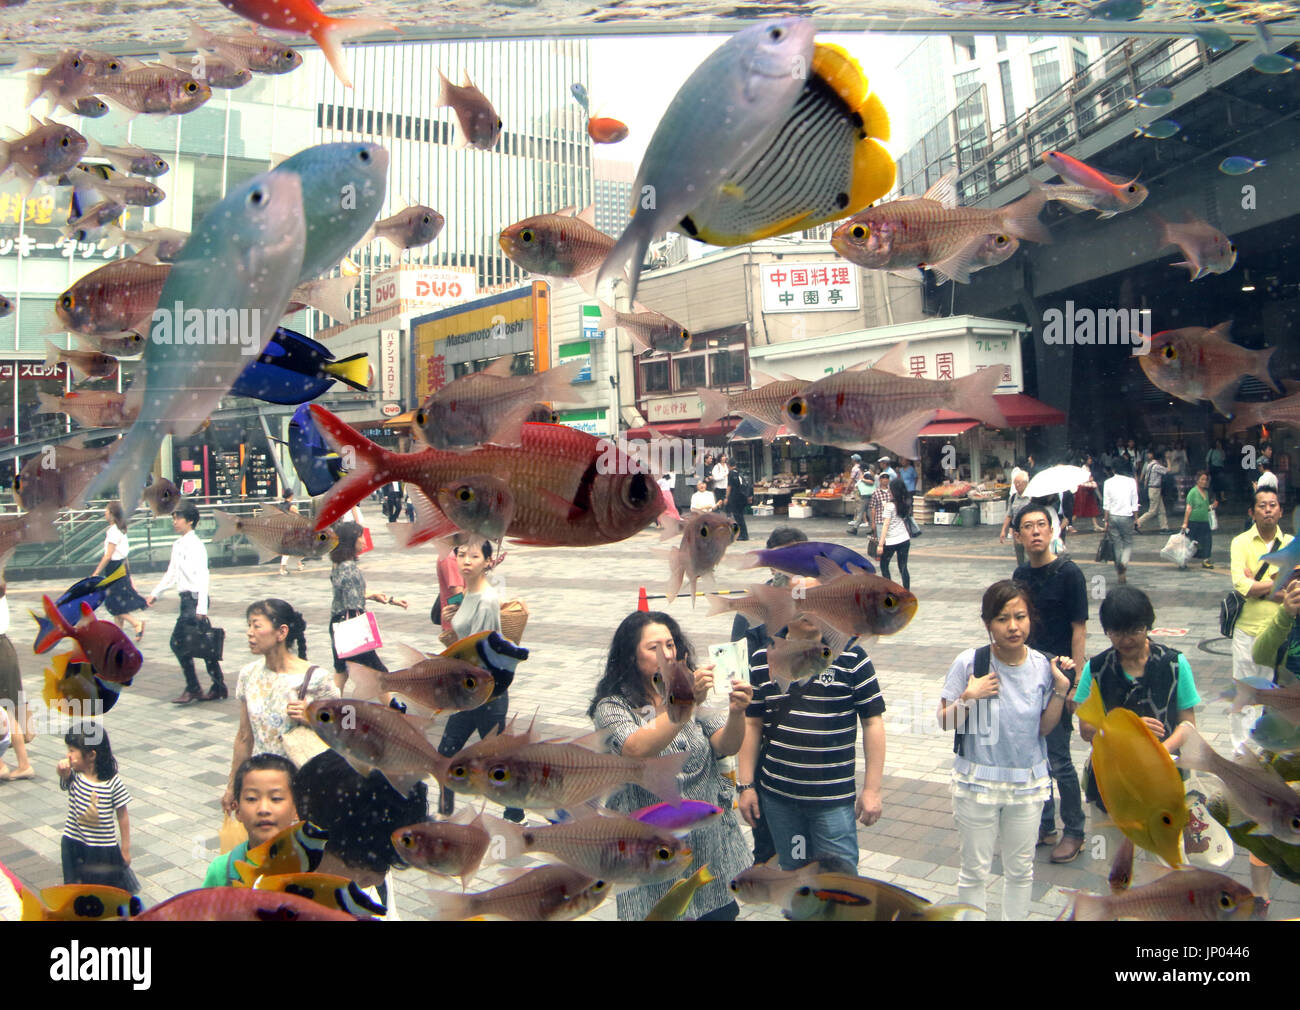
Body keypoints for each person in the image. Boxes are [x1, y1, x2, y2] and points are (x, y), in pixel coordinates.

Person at [590, 610, 753, 920]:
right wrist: (686, 703)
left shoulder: (684, 689)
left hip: (709, 852)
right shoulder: (612, 706)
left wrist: (737, 712)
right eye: (653, 648)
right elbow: (637, 748)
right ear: (630, 656)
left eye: (669, 644)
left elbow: (726, 744)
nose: (666, 654)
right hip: (653, 854)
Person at [937, 581, 1073, 920]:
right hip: (977, 784)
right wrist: (969, 696)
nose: (1013, 626)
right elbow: (943, 721)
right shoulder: (971, 662)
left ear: (1030, 619)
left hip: (1026, 784)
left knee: (1020, 870)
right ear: (987, 624)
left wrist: (1061, 690)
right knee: (974, 871)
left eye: (1020, 616)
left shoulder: (1043, 665)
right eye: (1002, 618)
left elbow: (1042, 729)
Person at [737, 591, 887, 874]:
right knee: (795, 875)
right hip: (780, 800)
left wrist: (872, 789)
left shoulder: (851, 656)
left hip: (832, 801)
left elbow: (873, 722)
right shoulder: (762, 658)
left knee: (838, 882)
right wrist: (745, 786)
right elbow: (752, 722)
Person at [1072, 586, 1202, 877]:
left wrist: (1160, 750)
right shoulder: (1097, 668)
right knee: (1118, 869)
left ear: (1148, 626)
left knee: (1169, 863)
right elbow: (1085, 728)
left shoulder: (1174, 664)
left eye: (1135, 630)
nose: (1126, 639)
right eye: (1116, 632)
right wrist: (1128, 731)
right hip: (1113, 784)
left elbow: (1188, 723)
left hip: (1163, 782)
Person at [1011, 502, 1089, 863]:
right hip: (1028, 677)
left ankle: (1074, 830)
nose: (1036, 532)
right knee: (1032, 754)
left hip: (1060, 676)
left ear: (1052, 529)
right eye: (1028, 527)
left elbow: (1079, 630)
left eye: (1042, 524)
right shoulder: (1020, 576)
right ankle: (1045, 825)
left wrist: (1077, 685)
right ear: (1019, 535)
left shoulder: (1070, 573)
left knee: (1058, 756)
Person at [730, 525, 808, 865]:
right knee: (762, 802)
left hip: (809, 726)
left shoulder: (821, 601)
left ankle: (803, 864)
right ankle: (765, 862)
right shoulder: (752, 607)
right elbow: (734, 669)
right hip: (765, 726)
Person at [435, 539, 523, 823]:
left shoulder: (486, 600)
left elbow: (479, 651)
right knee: (452, 753)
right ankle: (447, 811)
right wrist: (452, 618)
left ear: (488, 561)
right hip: (473, 692)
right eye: (462, 555)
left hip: (487, 692)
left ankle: (514, 812)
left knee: (492, 758)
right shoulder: (468, 596)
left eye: (474, 556)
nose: (466, 561)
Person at [222, 599, 338, 814]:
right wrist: (232, 787)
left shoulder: (317, 678)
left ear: (281, 632)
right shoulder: (249, 674)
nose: (249, 632)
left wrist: (313, 717)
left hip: (304, 787)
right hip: (261, 787)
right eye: (249, 625)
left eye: (256, 625)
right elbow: (244, 737)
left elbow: (349, 727)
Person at [293, 749, 430, 919]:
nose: (378, 879)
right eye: (362, 862)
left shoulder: (373, 889)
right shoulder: (266, 903)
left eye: (385, 865)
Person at [1250, 578, 1300, 909]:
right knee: (1265, 820)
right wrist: (1285, 614)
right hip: (1279, 736)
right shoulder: (1286, 620)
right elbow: (1261, 653)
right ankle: (1259, 899)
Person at [146, 501, 226, 705]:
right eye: (173, 517)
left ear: (190, 521)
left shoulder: (196, 545)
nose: (175, 521)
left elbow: (203, 576)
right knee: (203, 643)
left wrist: (201, 608)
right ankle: (218, 687)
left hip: (195, 600)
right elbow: (171, 573)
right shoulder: (178, 544)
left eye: (178, 518)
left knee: (178, 642)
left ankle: (194, 688)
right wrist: (155, 593)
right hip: (186, 601)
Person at [329, 522, 408, 690]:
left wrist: (382, 597)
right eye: (361, 536)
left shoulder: (338, 564)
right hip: (352, 626)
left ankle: (330, 708)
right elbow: (353, 604)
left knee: (341, 672)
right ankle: (394, 709)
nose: (365, 540)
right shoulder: (350, 569)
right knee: (378, 672)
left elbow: (349, 594)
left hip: (337, 622)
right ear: (352, 541)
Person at [57, 724, 134, 892]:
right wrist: (62, 771)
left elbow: (123, 815)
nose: (67, 755)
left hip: (103, 850)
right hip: (73, 843)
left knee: (104, 892)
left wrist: (125, 848)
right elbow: (64, 776)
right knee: (75, 890)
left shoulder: (112, 783)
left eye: (72, 751)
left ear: (91, 755)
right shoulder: (75, 776)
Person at [205, 753, 298, 886]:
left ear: (296, 809)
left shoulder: (313, 868)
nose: (263, 809)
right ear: (237, 810)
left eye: (276, 798)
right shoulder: (221, 871)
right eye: (252, 799)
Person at [1229, 488, 1292, 683]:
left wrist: (1257, 586)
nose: (1268, 510)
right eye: (1262, 506)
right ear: (1252, 512)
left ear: (1280, 511)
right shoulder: (1240, 542)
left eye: (1273, 505)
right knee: (1245, 695)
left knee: (1275, 696)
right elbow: (1241, 585)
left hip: (1282, 631)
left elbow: (1296, 591)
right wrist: (1277, 585)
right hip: (1247, 630)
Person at [90, 501, 146, 640]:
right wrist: (129, 576)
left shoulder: (113, 531)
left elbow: (108, 555)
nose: (105, 513)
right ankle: (118, 636)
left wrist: (96, 572)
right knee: (118, 602)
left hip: (114, 569)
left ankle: (136, 623)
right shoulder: (121, 530)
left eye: (107, 511)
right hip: (121, 568)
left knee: (112, 603)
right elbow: (125, 557)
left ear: (112, 514)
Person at [0, 579, 33, 782]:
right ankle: (22, 764)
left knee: (7, 711)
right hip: (5, 650)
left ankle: (9, 765)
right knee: (8, 709)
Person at [1102, 457, 1139, 584]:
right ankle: (1123, 563)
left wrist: (1105, 520)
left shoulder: (1108, 482)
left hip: (1113, 516)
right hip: (1127, 516)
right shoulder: (1131, 482)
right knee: (1128, 543)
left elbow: (1106, 504)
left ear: (1113, 469)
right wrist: (1136, 518)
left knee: (1117, 544)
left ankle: (1119, 568)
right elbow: (1135, 502)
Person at [877, 476, 912, 590]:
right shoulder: (905, 503)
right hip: (904, 539)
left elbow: (885, 525)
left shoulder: (890, 506)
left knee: (884, 565)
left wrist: (880, 544)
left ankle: (889, 590)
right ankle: (907, 592)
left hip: (891, 541)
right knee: (903, 567)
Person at [1180, 470, 1218, 570]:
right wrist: (1185, 523)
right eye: (1202, 479)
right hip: (1193, 522)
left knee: (1207, 542)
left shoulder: (1206, 492)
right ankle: (1183, 561)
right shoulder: (1193, 492)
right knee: (1190, 542)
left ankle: (1206, 560)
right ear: (1197, 480)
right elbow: (1188, 508)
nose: (1204, 482)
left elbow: (1206, 507)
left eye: (1206, 480)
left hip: (1205, 522)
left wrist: (1212, 506)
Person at [999, 472, 1031, 567]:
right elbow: (1009, 515)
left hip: (1029, 531)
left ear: (1026, 483)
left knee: (1029, 557)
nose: (1017, 485)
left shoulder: (1032, 497)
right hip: (1017, 532)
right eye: (1015, 483)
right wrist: (1003, 531)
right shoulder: (1013, 497)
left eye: (1019, 483)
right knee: (1020, 557)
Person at [1136, 449, 1169, 533]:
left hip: (1152, 489)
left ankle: (1164, 527)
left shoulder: (1149, 465)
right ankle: (1137, 522)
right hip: (1155, 489)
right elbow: (1168, 470)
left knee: (1161, 509)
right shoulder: (1157, 466)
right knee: (1152, 511)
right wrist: (1168, 460)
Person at [275, 491, 306, 576]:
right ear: (291, 496)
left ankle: (299, 565)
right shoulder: (292, 506)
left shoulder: (280, 506)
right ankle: (282, 569)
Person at [725, 458, 750, 541]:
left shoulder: (731, 473)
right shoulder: (739, 472)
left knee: (738, 517)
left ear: (728, 465)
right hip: (742, 497)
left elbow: (729, 486)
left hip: (735, 497)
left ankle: (743, 535)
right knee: (741, 517)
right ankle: (744, 534)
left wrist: (726, 497)